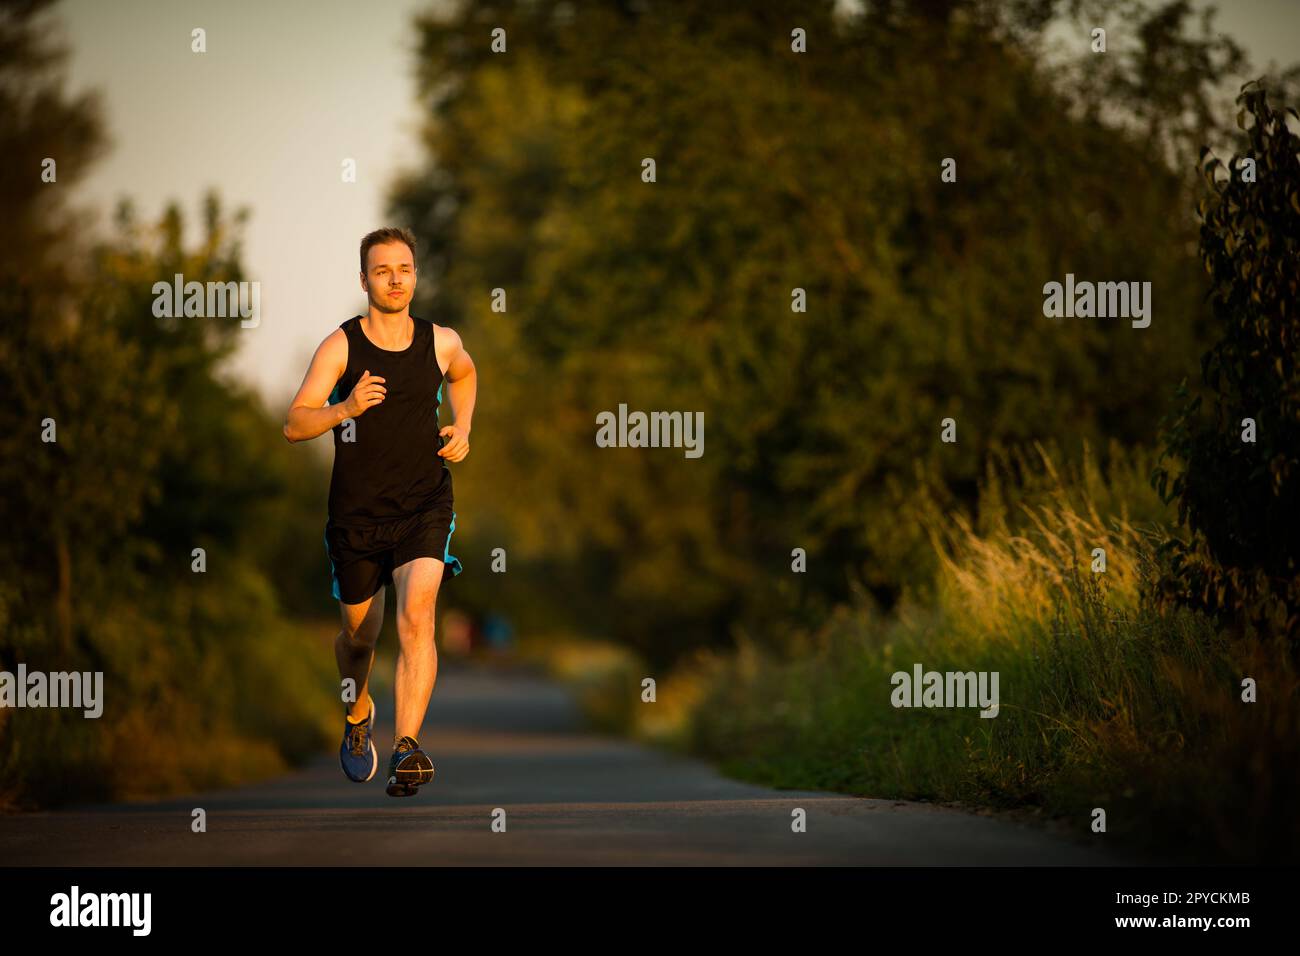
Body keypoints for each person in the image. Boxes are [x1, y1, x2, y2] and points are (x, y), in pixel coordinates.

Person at [282, 226, 476, 797]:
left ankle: (406, 747)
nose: (396, 279)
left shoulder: (440, 341)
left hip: (424, 504)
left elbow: (465, 374)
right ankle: (358, 710)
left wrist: (462, 427)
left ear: (416, 275)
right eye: (383, 270)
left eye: (405, 269)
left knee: (417, 615)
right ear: (364, 279)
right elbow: (295, 424)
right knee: (359, 640)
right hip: (356, 518)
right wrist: (345, 407)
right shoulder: (341, 347)